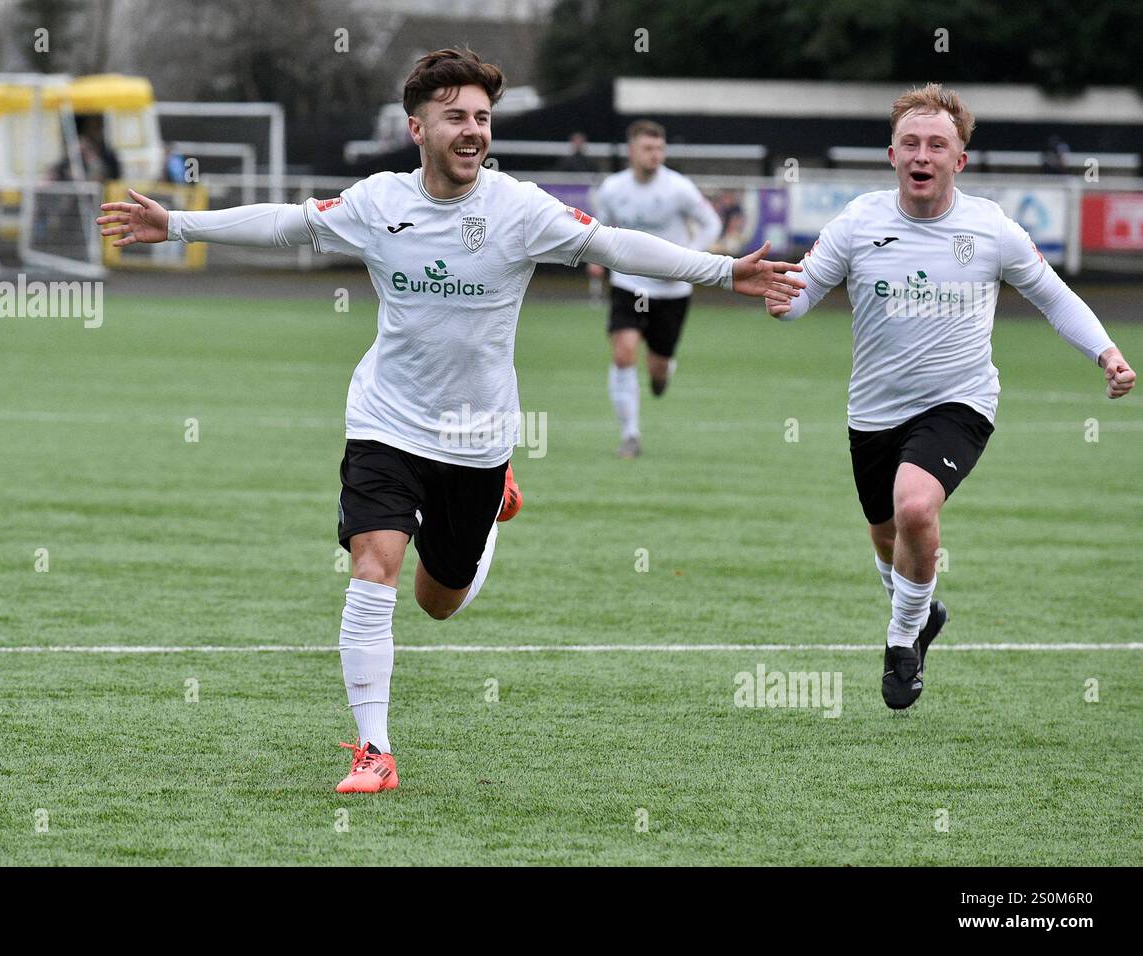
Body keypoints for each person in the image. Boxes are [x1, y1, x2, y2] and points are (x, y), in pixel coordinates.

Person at [98, 48, 803, 792]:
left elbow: (613, 244)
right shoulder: (379, 202)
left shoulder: (519, 209)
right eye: (455, 117)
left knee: (439, 602)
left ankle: (494, 502)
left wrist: (723, 271)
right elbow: (289, 225)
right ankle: (375, 750)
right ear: (417, 128)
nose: (472, 132)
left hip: (477, 438)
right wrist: (176, 222)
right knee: (375, 564)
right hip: (386, 422)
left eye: (482, 119)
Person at [766, 83, 1135, 710]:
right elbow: (803, 292)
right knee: (888, 537)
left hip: (959, 402)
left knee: (915, 509)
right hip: (874, 412)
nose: (923, 153)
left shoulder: (990, 229)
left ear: (958, 161)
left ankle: (901, 640)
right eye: (911, 142)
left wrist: (1105, 351)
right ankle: (921, 613)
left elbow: (1053, 296)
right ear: (892, 155)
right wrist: (783, 301)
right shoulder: (859, 223)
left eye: (938, 144)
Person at [588, 120, 722, 458]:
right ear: (632, 151)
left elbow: (711, 223)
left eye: (660, 148)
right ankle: (630, 435)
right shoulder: (612, 189)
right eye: (648, 148)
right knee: (623, 354)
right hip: (629, 285)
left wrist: (688, 258)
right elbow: (599, 228)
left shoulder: (679, 188)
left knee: (658, 370)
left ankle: (662, 373)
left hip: (671, 292)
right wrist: (595, 257)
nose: (655, 155)